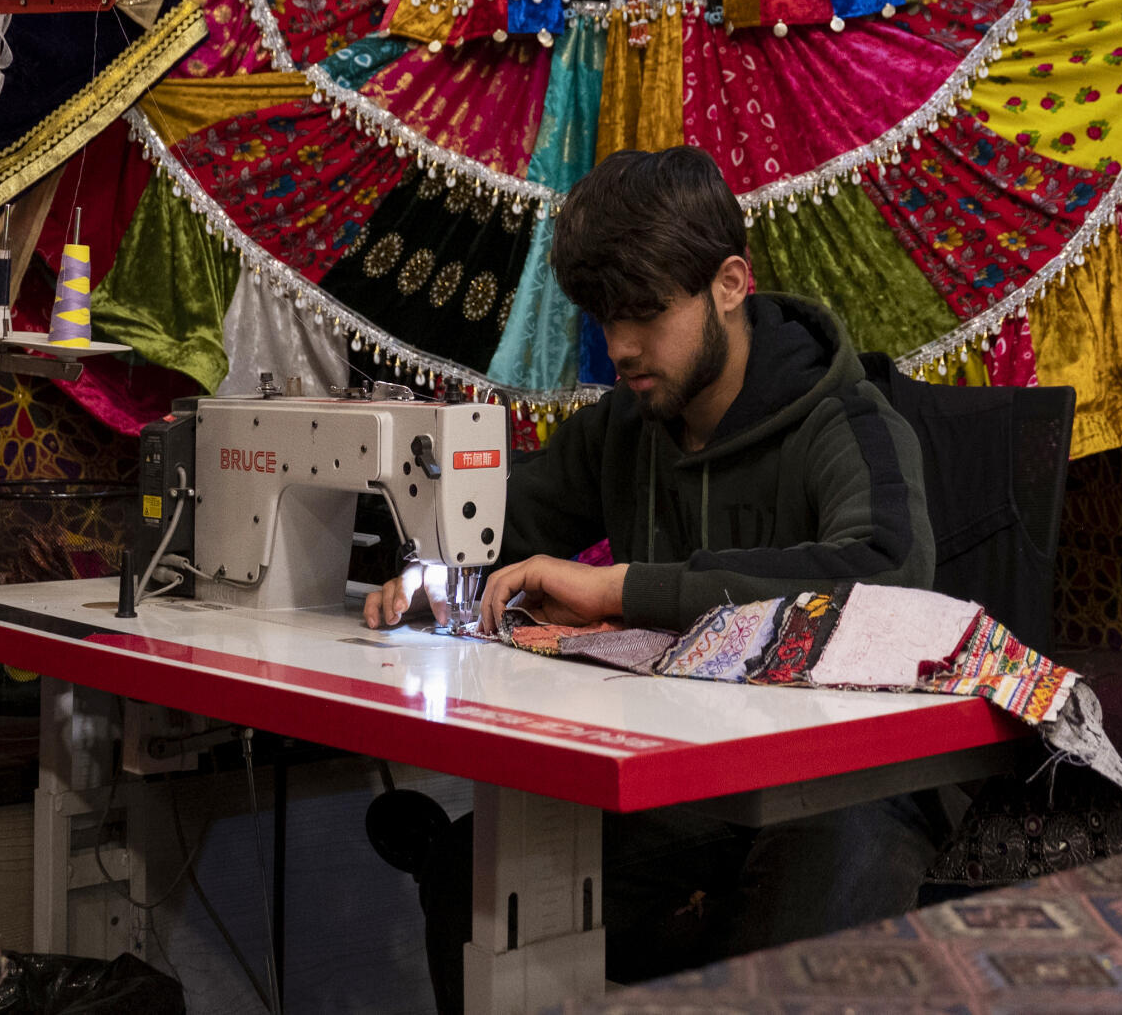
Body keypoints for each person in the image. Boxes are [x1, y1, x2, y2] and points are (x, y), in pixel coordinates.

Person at [361, 145, 942, 1011]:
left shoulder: (846, 422)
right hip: (686, 785)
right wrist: (421, 569)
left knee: (791, 941)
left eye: (645, 314)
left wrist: (622, 587)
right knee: (467, 871)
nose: (620, 347)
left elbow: (884, 574)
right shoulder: (628, 428)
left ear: (731, 284)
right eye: (603, 317)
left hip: (845, 785)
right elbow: (490, 531)